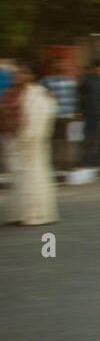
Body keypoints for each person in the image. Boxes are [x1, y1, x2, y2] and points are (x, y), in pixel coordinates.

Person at [2, 61, 58, 226]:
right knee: (18, 178)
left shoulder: (39, 94)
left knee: (34, 176)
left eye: (22, 73)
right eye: (16, 74)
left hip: (32, 142)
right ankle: (19, 214)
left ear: (31, 76)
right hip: (13, 142)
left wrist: (31, 136)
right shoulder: (11, 93)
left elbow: (43, 116)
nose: (18, 76)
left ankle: (36, 215)